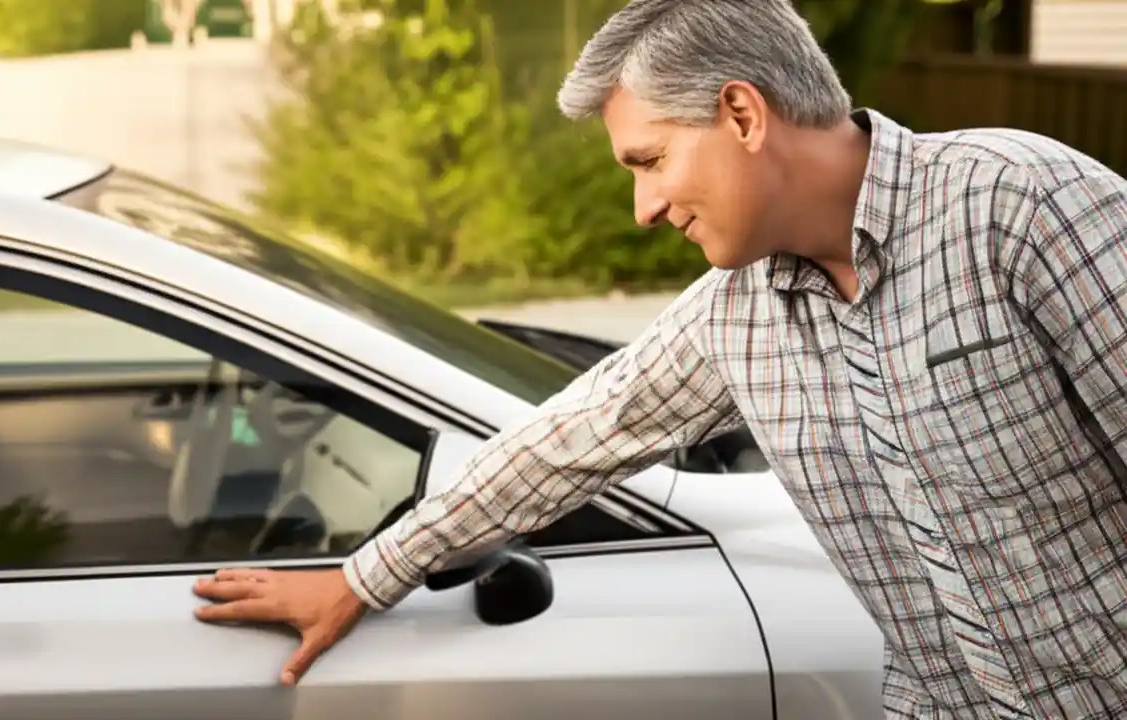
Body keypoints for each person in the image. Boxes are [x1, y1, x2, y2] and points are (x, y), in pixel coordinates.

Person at [192, 0, 1127, 717]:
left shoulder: (1020, 208)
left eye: (650, 161)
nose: (642, 208)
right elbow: (563, 443)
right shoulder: (737, 318)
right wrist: (363, 578)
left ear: (741, 114)